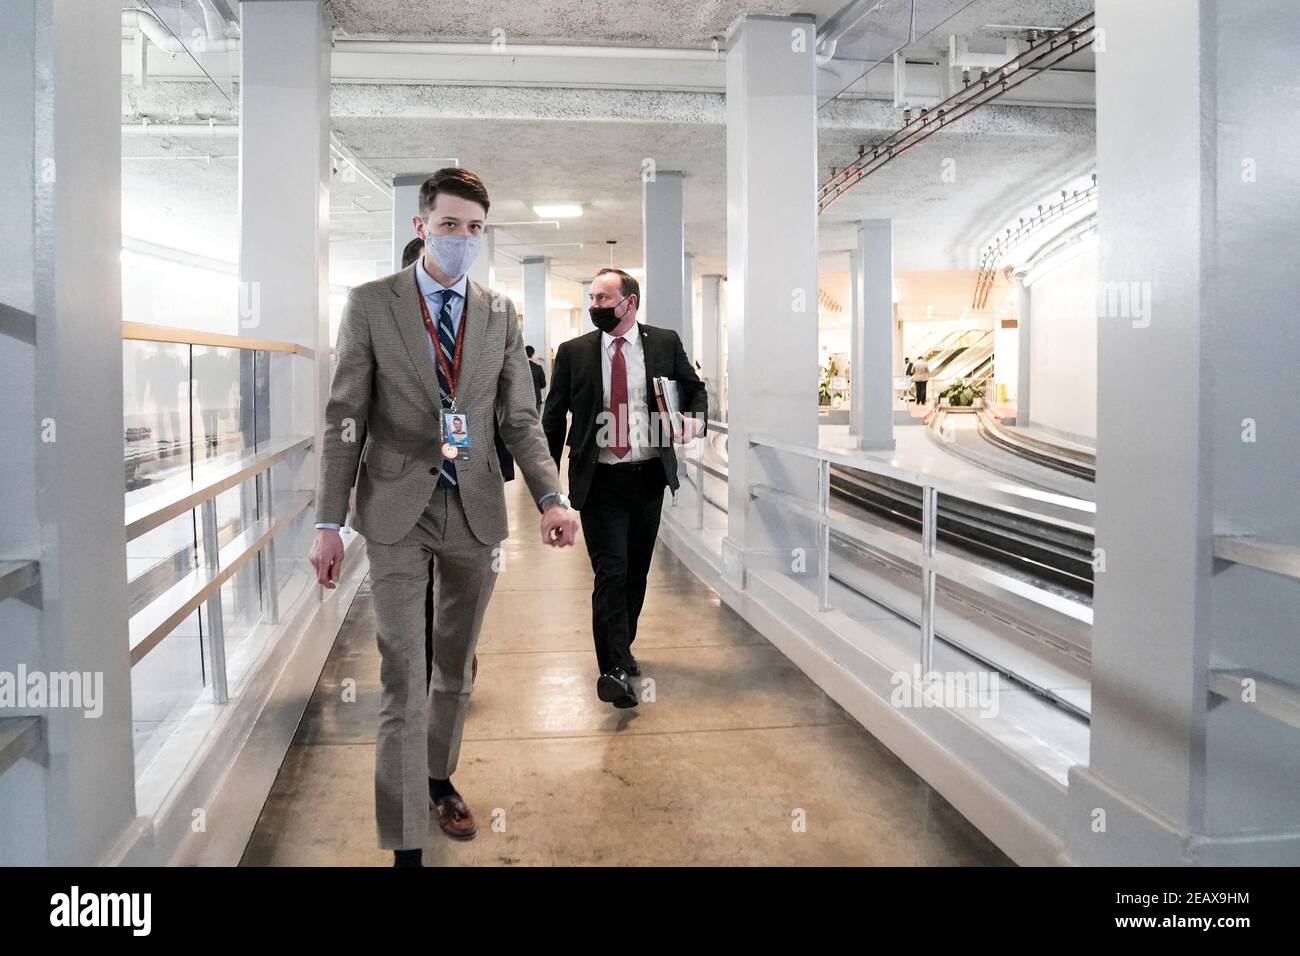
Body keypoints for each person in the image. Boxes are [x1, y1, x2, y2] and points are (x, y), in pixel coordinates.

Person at [310, 167, 579, 867]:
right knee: (403, 670)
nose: (462, 240)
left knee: (455, 665)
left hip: (476, 507)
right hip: (396, 506)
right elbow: (346, 416)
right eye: (450, 224)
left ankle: (438, 776)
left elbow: (519, 418)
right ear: (420, 225)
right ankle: (404, 843)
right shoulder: (371, 304)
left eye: (474, 229)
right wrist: (327, 524)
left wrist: (551, 495)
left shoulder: (498, 313)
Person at [542, 268, 707, 709]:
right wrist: (547, 488)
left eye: (603, 299)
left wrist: (695, 419)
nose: (595, 306)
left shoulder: (664, 343)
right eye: (591, 299)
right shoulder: (575, 353)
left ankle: (623, 644)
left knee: (636, 573)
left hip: (648, 477)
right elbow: (554, 417)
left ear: (630, 303)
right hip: (600, 481)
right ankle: (612, 668)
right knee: (610, 573)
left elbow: (695, 390)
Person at [525, 345, 546, 409]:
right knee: (536, 419)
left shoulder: (520, 368)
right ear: (533, 354)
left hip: (523, 400)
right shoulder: (538, 368)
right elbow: (543, 384)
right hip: (536, 399)